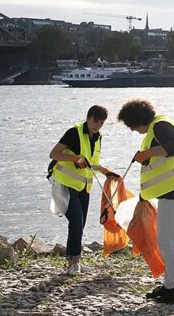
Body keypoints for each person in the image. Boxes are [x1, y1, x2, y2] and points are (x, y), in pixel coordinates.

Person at [118, 98, 174, 304]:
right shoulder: (160, 125)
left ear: (137, 121)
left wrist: (147, 153)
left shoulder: (160, 126)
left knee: (168, 240)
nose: (133, 130)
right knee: (171, 239)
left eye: (131, 126)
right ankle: (171, 284)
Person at [48, 105, 120, 276]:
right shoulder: (74, 132)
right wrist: (74, 158)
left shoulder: (98, 136)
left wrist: (107, 172)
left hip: (83, 186)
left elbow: (91, 162)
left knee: (80, 223)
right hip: (64, 184)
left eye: (101, 123)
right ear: (88, 118)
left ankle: (74, 262)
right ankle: (73, 263)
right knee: (76, 220)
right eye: (95, 121)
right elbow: (54, 154)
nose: (97, 125)